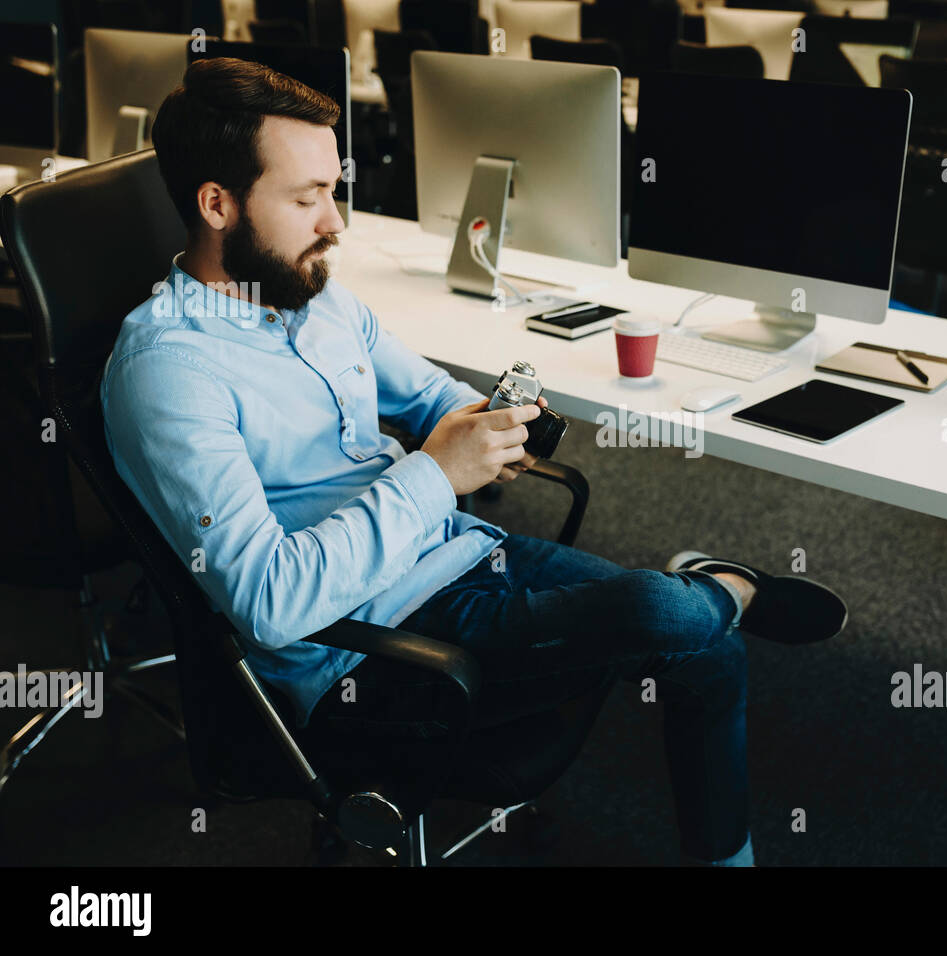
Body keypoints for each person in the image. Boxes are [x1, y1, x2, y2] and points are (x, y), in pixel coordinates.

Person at [101, 58, 848, 866]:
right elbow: (271, 604)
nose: (336, 221)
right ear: (217, 203)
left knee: (701, 641)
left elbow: (426, 396)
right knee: (667, 615)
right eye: (307, 197)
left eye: (334, 189)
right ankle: (727, 585)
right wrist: (435, 473)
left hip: (454, 553)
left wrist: (481, 425)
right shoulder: (170, 370)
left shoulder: (309, 295)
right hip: (368, 651)